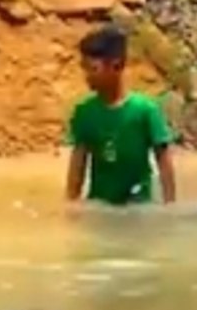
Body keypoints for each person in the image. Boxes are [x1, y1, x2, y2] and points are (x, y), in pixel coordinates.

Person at [65, 25, 176, 205]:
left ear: (116, 66)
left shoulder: (146, 110)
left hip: (138, 206)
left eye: (93, 69)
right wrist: (70, 204)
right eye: (83, 68)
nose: (86, 76)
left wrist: (170, 205)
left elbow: (163, 160)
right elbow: (77, 165)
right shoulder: (84, 112)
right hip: (100, 206)